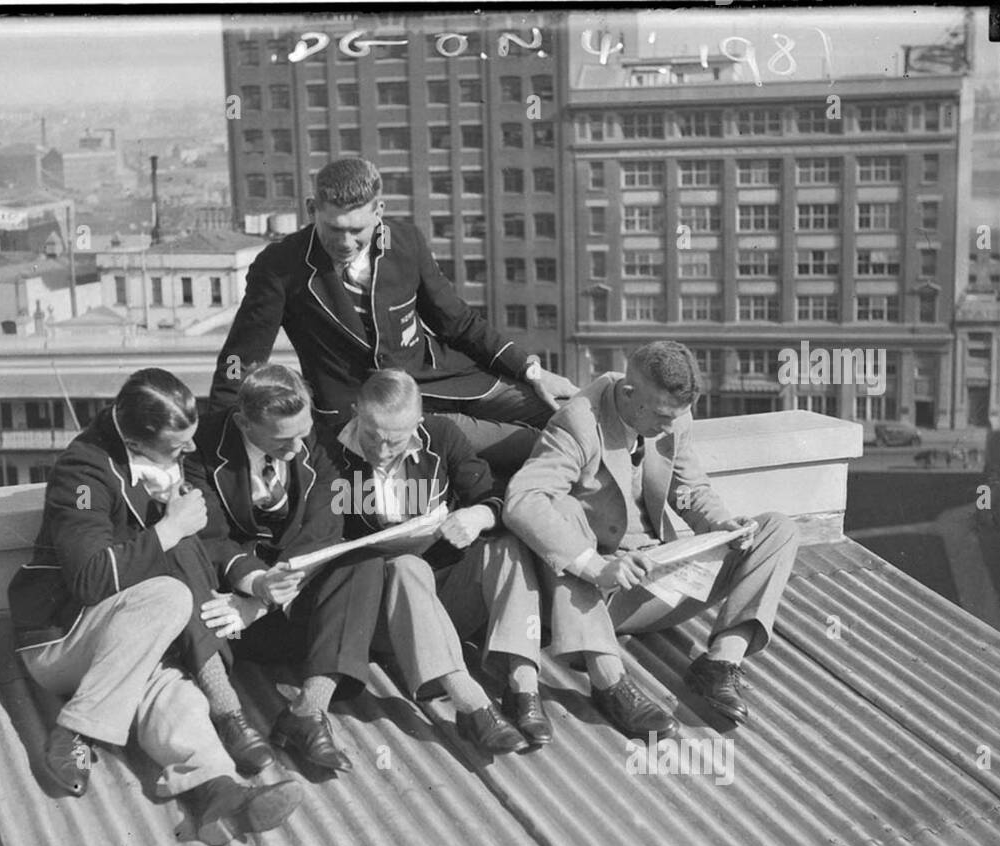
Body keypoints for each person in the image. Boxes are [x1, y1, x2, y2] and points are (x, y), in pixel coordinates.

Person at [7, 368, 301, 844]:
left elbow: (213, 541)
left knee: (177, 695)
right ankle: (75, 731)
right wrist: (169, 528)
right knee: (170, 593)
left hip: (133, 646)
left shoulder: (167, 460)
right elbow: (90, 578)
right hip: (64, 639)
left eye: (189, 440)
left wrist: (256, 579)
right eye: (175, 445)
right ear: (134, 438)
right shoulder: (81, 471)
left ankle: (216, 791)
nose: (188, 451)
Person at [504, 340, 799, 737]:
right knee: (563, 509)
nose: (669, 427)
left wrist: (721, 526)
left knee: (778, 529)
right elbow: (522, 500)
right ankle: (608, 680)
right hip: (606, 595)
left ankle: (719, 664)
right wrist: (598, 567)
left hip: (665, 572)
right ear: (629, 394)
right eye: (662, 416)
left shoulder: (673, 416)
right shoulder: (577, 424)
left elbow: (691, 490)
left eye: (676, 417)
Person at [208, 157, 578, 473]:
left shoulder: (406, 241)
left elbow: (457, 321)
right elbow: (242, 358)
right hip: (371, 414)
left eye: (357, 231)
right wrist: (220, 442)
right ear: (310, 210)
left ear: (379, 212)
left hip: (444, 379)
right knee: (537, 444)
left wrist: (531, 370)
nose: (345, 243)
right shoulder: (279, 267)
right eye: (333, 229)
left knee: (569, 414)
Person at [329, 370, 549, 755]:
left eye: (394, 441)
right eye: (371, 436)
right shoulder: (326, 449)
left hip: (441, 593)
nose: (381, 451)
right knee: (405, 566)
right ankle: (468, 701)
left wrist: (480, 515)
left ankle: (523, 685)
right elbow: (314, 536)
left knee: (506, 547)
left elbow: (492, 494)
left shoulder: (441, 436)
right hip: (377, 609)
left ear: (417, 421)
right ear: (355, 413)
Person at [185, 364, 388, 774]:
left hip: (281, 607)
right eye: (282, 440)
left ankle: (308, 711)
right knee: (181, 572)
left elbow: (328, 525)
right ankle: (230, 718)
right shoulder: (200, 447)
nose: (298, 447)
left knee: (363, 561)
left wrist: (266, 599)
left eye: (303, 432)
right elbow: (209, 536)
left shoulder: (314, 433)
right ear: (244, 422)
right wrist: (255, 582)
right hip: (227, 615)